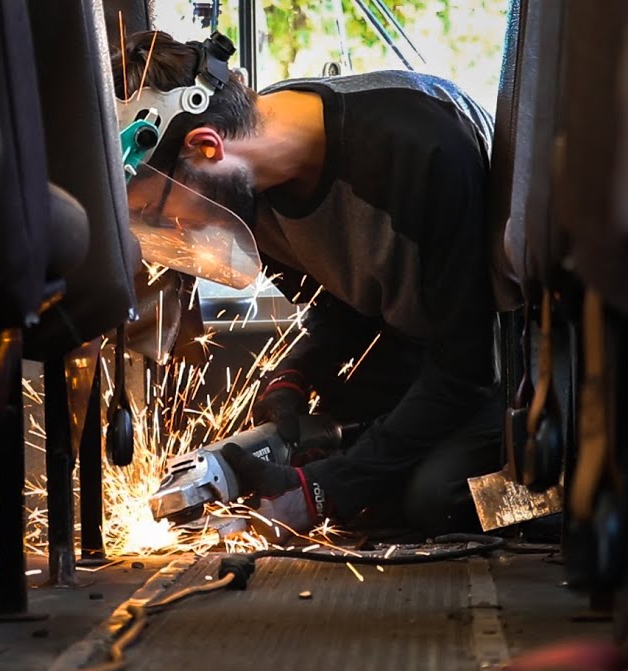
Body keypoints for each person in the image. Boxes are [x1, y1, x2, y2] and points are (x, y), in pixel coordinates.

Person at [114, 31, 503, 537]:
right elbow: (344, 310)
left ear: (206, 148)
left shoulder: (423, 150)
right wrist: (299, 369)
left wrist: (326, 489)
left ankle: (566, 493)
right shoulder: (245, 189)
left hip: (512, 362)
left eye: (156, 211)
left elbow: (466, 369)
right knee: (336, 468)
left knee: (436, 501)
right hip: (424, 348)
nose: (170, 230)